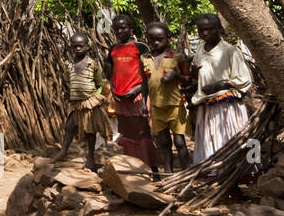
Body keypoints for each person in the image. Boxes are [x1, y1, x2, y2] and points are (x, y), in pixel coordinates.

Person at [190, 14, 253, 164]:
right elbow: (197, 75)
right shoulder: (200, 48)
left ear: (218, 29)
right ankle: (214, 169)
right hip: (207, 103)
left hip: (225, 104)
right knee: (210, 137)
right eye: (201, 30)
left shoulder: (229, 50)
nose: (205, 33)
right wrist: (194, 70)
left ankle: (232, 168)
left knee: (228, 135)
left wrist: (220, 85)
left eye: (209, 29)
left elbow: (244, 78)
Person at [104, 14, 160, 176]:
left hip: (138, 96)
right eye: (117, 28)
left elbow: (148, 72)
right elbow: (110, 71)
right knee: (128, 133)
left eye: (124, 27)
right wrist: (114, 89)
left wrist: (136, 91)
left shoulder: (140, 47)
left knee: (143, 132)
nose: (121, 31)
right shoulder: (113, 49)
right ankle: (133, 167)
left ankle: (152, 169)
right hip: (121, 98)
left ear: (131, 28)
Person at [52, 32, 113, 170]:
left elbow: (98, 83)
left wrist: (91, 96)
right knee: (69, 127)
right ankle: (64, 151)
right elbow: (68, 80)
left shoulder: (92, 64)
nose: (78, 49)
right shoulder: (68, 64)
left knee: (90, 131)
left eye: (81, 46)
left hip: (89, 102)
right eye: (74, 47)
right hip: (76, 103)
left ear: (87, 46)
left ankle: (90, 156)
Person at [141, 22, 192, 173]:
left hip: (175, 106)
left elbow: (188, 79)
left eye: (160, 39)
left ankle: (185, 174)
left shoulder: (177, 57)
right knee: (163, 142)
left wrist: (176, 75)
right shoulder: (145, 58)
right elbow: (144, 81)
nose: (156, 43)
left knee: (179, 142)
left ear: (168, 38)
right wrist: (144, 103)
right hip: (156, 107)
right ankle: (168, 174)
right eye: (152, 39)